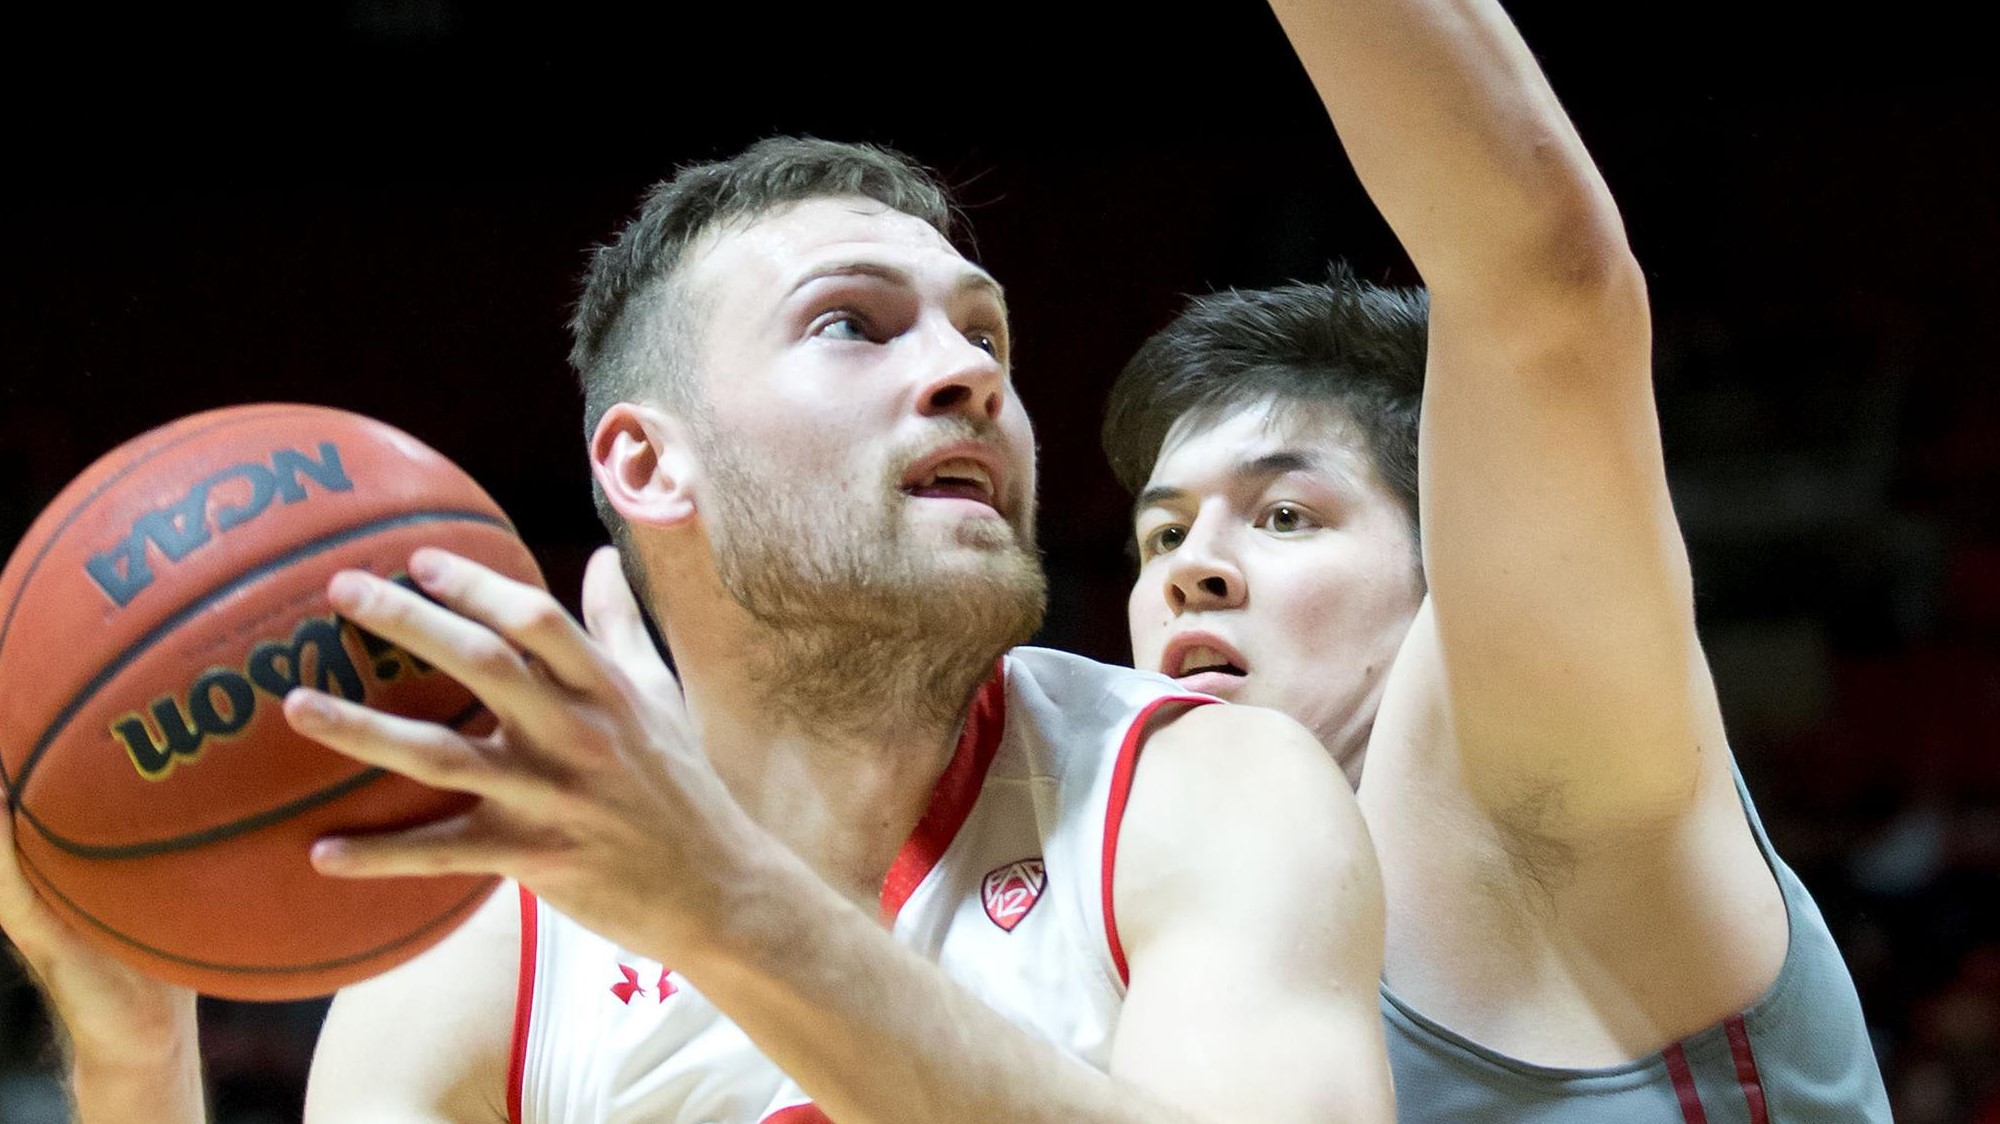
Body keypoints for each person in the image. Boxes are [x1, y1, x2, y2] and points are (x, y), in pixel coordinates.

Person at [0, 139, 1396, 1123]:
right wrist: (129, 1060)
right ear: (647, 467)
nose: (969, 372)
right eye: (855, 324)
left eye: (989, 340)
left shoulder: (1202, 787)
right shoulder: (490, 932)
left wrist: (722, 907)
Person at [1105, 0, 1893, 1120]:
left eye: (1284, 515)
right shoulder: (1176, 948)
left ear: (1461, 572)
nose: (1193, 568)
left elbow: (1542, 278)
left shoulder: (1520, 786)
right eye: (1160, 534)